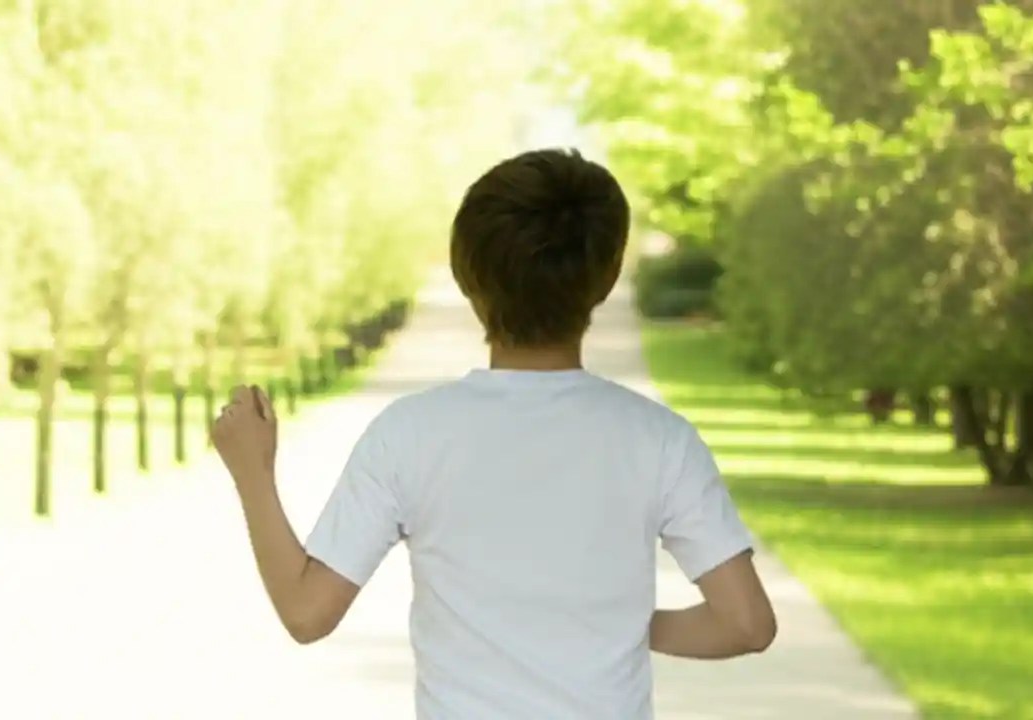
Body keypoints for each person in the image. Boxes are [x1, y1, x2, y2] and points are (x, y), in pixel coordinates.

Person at [212, 148, 776, 718]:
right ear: (605, 281)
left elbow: (307, 613)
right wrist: (620, 624)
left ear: (467, 277)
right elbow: (746, 623)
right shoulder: (661, 441)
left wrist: (253, 472)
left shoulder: (408, 435)